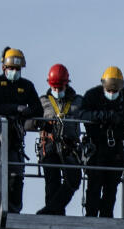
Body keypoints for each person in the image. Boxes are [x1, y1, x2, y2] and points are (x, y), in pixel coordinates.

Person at [0, 47, 41, 213]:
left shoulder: (27, 86)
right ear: (4, 68)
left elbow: (38, 109)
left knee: (15, 175)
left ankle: (14, 208)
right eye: (12, 69)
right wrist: (17, 108)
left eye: (17, 69)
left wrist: (28, 111)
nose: (15, 72)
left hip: (14, 140)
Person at [80, 66, 124, 218]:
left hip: (115, 149)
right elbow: (81, 113)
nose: (112, 94)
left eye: (115, 91)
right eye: (109, 91)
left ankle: (106, 215)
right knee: (94, 183)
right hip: (96, 146)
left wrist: (120, 118)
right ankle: (91, 216)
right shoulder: (92, 95)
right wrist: (100, 115)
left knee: (112, 185)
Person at [26, 63, 83, 215]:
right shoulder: (43, 102)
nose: (57, 91)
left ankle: (51, 210)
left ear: (67, 84)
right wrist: (39, 122)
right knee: (52, 180)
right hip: (50, 145)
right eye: (54, 88)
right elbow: (27, 122)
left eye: (60, 88)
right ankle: (55, 213)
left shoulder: (78, 102)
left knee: (74, 179)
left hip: (69, 146)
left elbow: (89, 116)